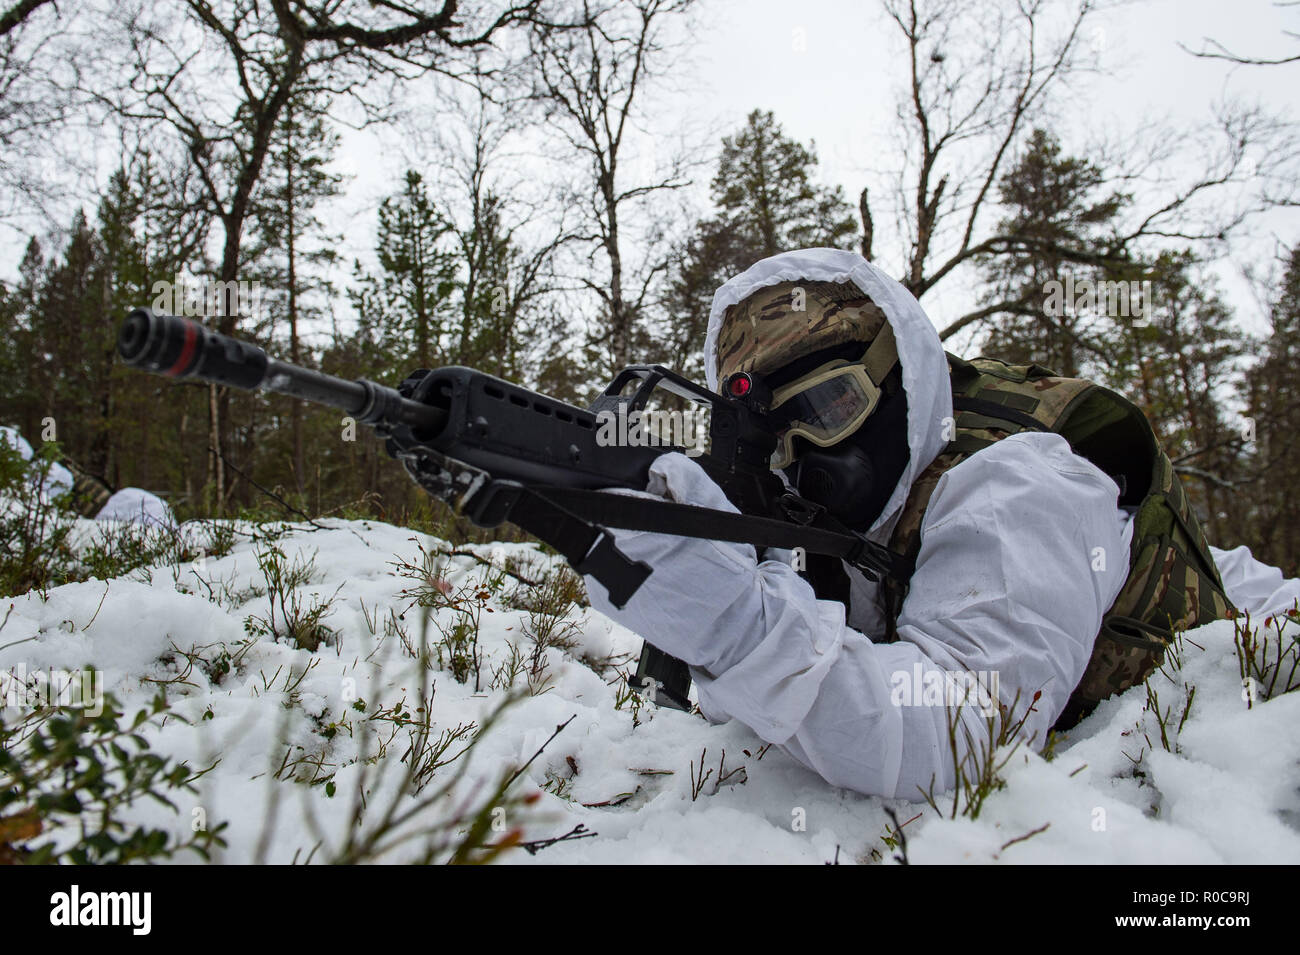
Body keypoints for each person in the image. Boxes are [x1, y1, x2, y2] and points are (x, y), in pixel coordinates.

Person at [580, 248, 1300, 799]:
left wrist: (738, 627)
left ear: (905, 376)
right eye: (777, 438)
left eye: (831, 408)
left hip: (1223, 739)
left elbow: (958, 731)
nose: (801, 458)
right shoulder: (854, 509)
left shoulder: (1018, 481)